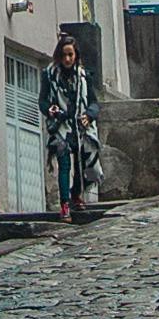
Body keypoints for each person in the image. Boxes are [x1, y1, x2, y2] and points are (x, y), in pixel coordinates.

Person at [41, 21, 105, 221]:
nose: (67, 59)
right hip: (60, 126)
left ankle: (77, 194)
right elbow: (42, 101)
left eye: (71, 55)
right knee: (64, 165)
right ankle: (64, 204)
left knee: (82, 165)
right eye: (64, 55)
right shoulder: (49, 75)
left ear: (76, 55)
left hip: (80, 127)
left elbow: (94, 103)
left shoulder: (84, 77)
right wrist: (50, 110)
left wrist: (89, 115)